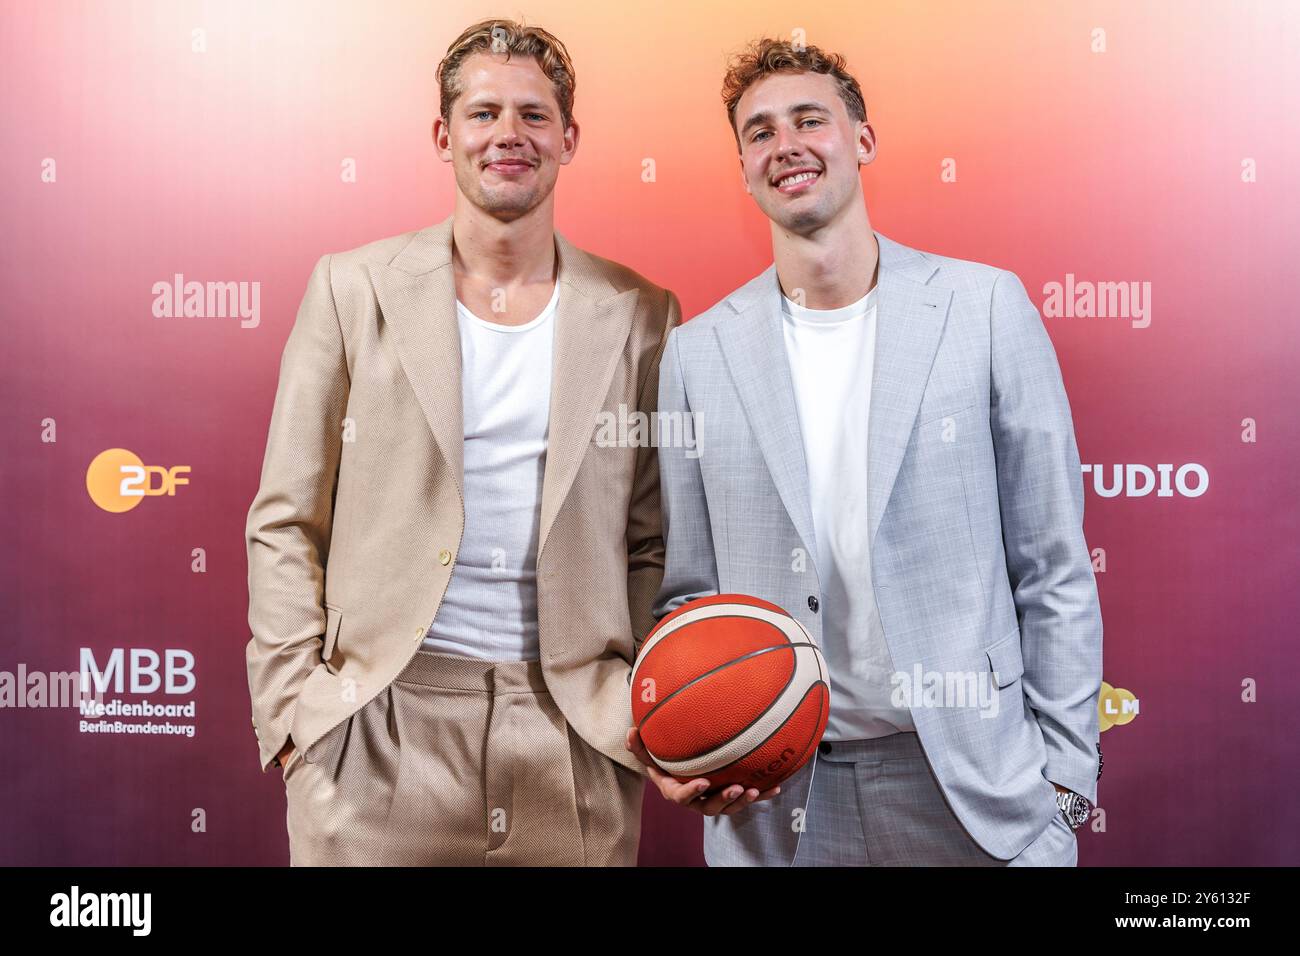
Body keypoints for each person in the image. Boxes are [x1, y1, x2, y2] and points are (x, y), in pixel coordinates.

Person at [628, 37, 1101, 866]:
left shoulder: (984, 308)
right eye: (761, 132)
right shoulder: (698, 355)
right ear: (743, 167)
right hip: (778, 798)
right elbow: (691, 592)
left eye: (811, 120)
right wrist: (699, 738)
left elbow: (1053, 566)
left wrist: (1063, 782)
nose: (788, 146)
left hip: (974, 787)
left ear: (863, 140)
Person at [247, 18, 680, 865]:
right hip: (375, 730)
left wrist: (628, 710)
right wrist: (298, 715)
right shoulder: (351, 287)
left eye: (532, 115)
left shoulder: (641, 312)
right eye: (483, 114)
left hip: (574, 739)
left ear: (569, 138)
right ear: (445, 137)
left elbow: (652, 539)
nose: (508, 136)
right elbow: (286, 517)